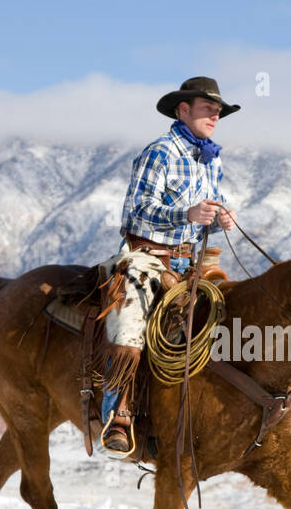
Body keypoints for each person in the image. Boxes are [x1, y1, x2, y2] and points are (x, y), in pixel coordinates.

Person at [97, 76, 240, 456]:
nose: (215, 115)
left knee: (228, 316)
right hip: (146, 257)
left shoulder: (211, 158)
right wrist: (187, 212)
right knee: (129, 325)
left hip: (189, 262)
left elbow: (213, 205)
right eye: (208, 108)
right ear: (183, 109)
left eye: (218, 111)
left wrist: (221, 216)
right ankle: (119, 415)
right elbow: (135, 212)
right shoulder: (159, 152)